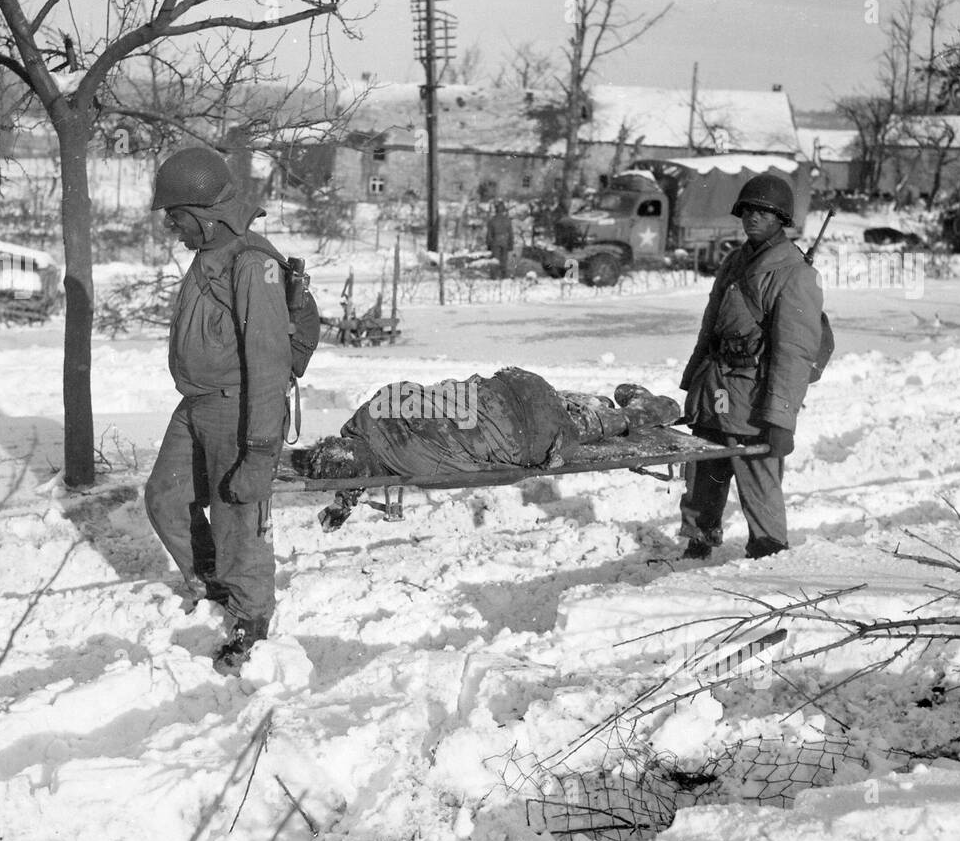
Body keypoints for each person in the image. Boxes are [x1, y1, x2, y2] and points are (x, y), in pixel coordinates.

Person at [143, 147, 292, 668]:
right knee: (165, 496)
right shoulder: (209, 254)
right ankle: (212, 587)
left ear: (202, 213)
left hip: (237, 407)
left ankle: (251, 620)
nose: (172, 228)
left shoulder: (251, 263)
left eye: (176, 216)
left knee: (237, 515)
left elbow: (270, 363)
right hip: (196, 404)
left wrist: (259, 451)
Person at [301, 368, 680, 529]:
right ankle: (592, 400)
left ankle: (652, 410)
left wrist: (344, 502)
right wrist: (344, 499)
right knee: (538, 405)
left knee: (584, 429)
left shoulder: (418, 464)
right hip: (510, 385)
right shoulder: (369, 411)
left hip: (531, 430)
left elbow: (494, 469)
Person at [678, 173, 824, 560]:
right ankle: (699, 541)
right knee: (703, 470)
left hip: (754, 396)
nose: (753, 217)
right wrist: (694, 378)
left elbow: (794, 353)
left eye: (764, 211)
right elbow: (711, 325)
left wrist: (781, 419)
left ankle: (768, 551)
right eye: (748, 210)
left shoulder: (793, 272)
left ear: (781, 219)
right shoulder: (735, 260)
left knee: (758, 476)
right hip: (717, 386)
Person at [485, 201, 515, 279]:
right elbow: (511, 234)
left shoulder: (492, 220)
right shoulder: (507, 220)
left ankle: (494, 276)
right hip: (505, 241)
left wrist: (489, 244)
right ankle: (503, 275)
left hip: (495, 242)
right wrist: (511, 244)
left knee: (495, 259)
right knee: (504, 260)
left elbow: (489, 234)